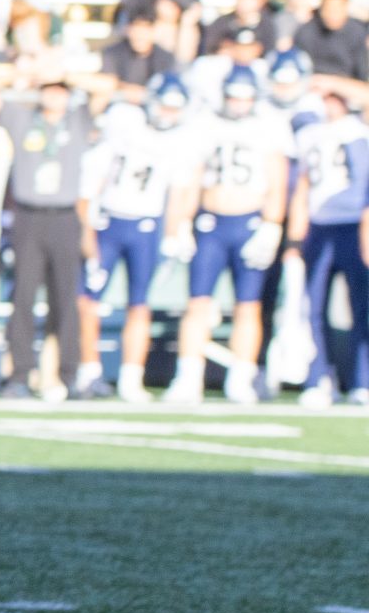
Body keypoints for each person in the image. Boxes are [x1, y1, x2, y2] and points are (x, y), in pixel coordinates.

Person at [168, 65, 290, 404]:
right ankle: (188, 376)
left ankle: (241, 378)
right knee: (197, 302)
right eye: (233, 97)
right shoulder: (207, 123)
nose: (238, 103)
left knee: (248, 306)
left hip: (249, 222)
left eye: (244, 97)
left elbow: (277, 180)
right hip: (211, 223)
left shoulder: (268, 125)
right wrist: (182, 222)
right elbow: (193, 175)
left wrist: (272, 224)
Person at [81, 76, 197, 402]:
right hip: (108, 221)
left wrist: (174, 233)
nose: (168, 113)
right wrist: (88, 223)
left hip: (146, 224)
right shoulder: (124, 120)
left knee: (140, 303)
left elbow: (179, 191)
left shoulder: (181, 139)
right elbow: (96, 169)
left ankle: (131, 377)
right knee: (88, 299)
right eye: (164, 105)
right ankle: (88, 369)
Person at [0, 77, 92, 398]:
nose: (54, 97)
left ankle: (69, 374)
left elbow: (104, 91)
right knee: (23, 296)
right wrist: (32, 79)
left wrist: (64, 70)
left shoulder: (76, 121)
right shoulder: (25, 119)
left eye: (60, 91)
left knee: (65, 298)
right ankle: (20, 375)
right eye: (49, 90)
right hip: (29, 215)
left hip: (65, 216)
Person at [286, 85, 369, 406]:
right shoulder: (310, 134)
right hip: (320, 226)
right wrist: (294, 238)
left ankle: (363, 380)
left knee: (362, 306)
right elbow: (303, 186)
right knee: (313, 306)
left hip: (354, 225)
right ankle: (318, 377)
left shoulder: (358, 131)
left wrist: (333, 82)